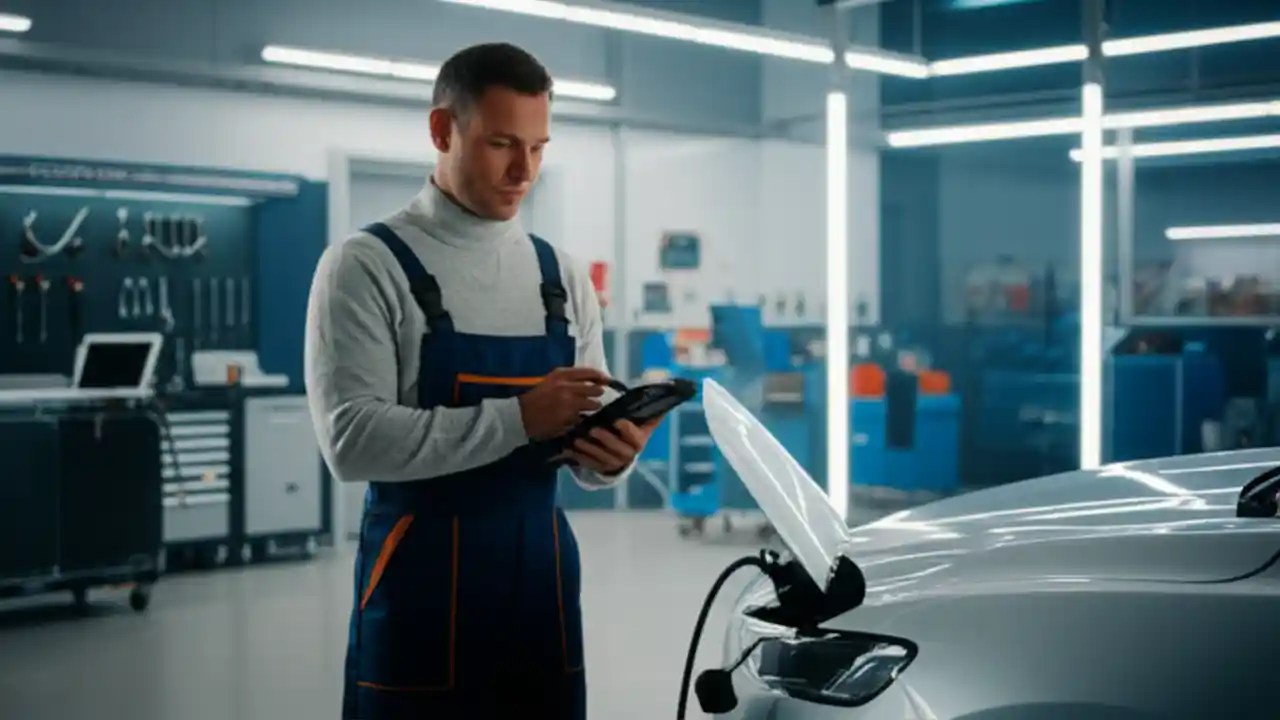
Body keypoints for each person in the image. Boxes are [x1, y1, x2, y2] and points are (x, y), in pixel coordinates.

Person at [304, 42, 661, 719]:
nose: (523, 169)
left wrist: (612, 458)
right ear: (442, 130)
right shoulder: (365, 266)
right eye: (501, 143)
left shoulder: (562, 276)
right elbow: (350, 443)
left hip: (543, 578)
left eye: (538, 146)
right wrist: (519, 418)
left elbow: (583, 448)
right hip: (419, 584)